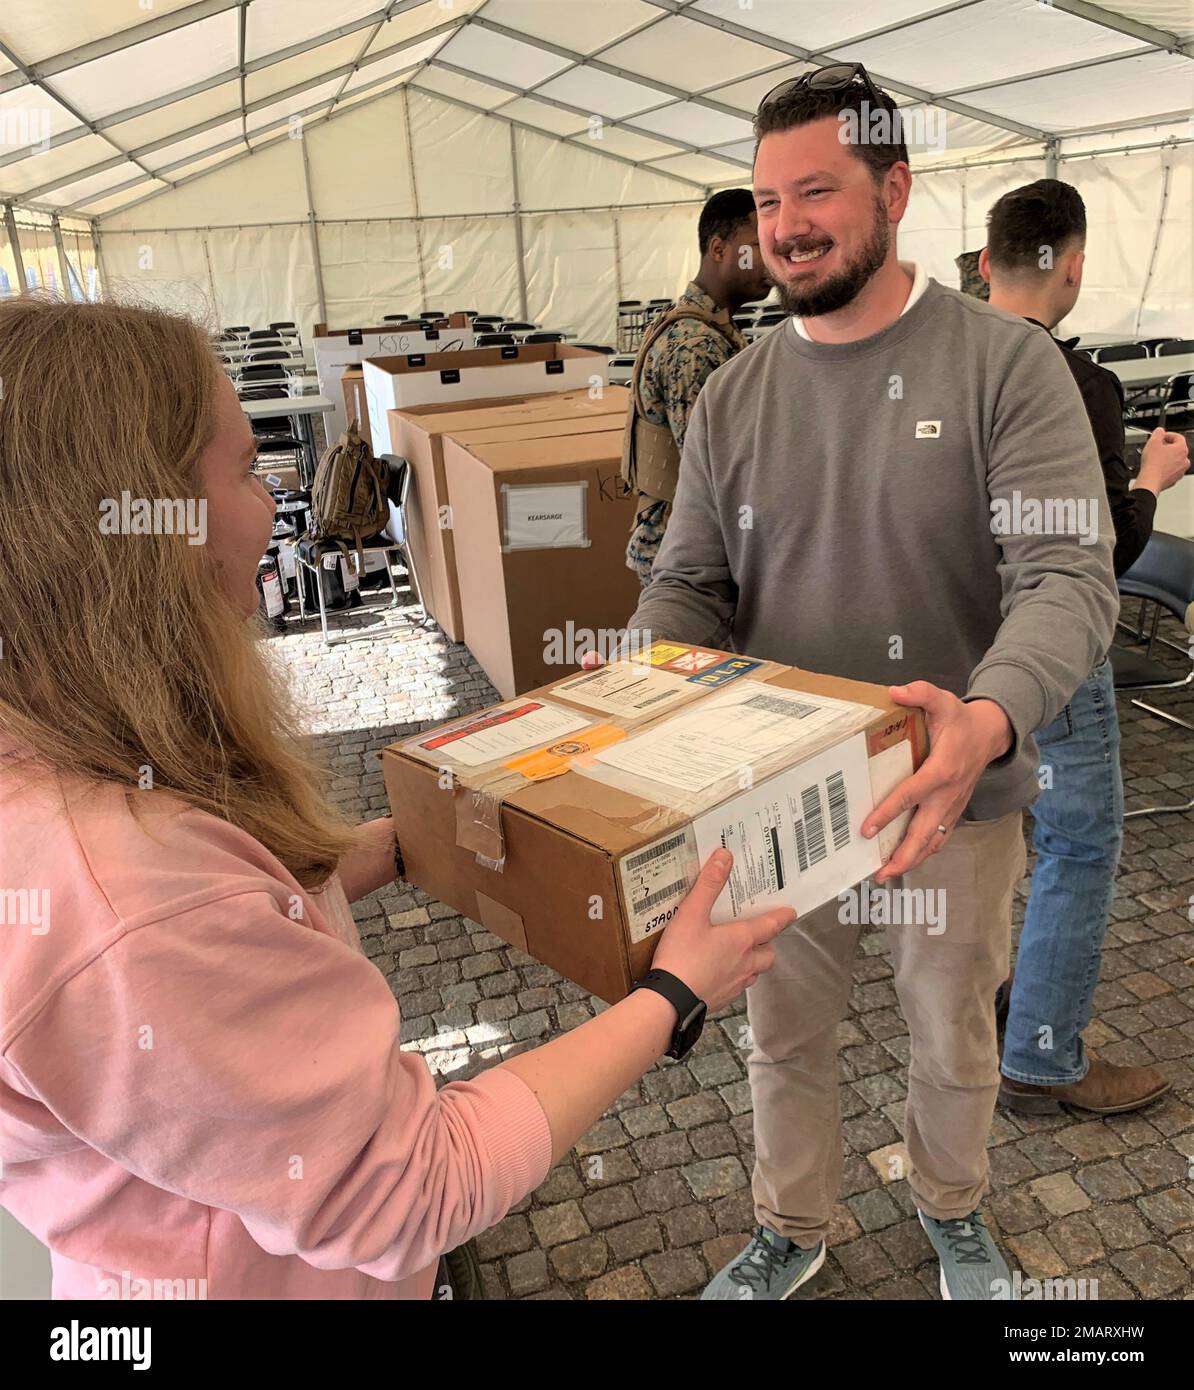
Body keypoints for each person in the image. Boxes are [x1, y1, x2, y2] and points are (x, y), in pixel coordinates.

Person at [0, 295, 793, 1301]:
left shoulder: (62, 754)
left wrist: (424, 836)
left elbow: (243, 918)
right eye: (247, 470)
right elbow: (419, 1183)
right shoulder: (131, 894)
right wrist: (672, 996)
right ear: (146, 532)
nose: (274, 505)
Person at [622, 64, 1119, 1300]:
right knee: (780, 1038)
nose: (784, 222)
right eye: (766, 196)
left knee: (953, 1036)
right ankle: (790, 1224)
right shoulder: (736, 395)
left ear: (895, 189)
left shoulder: (1006, 365)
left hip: (949, 796)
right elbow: (691, 581)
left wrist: (990, 716)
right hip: (780, 804)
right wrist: (641, 680)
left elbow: (1069, 575)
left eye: (818, 190)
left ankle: (954, 1211)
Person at [979, 179, 1189, 1115]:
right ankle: (1040, 1056)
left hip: (963, 642)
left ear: (985, 263)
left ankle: (991, 1014)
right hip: (1054, 648)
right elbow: (1102, 548)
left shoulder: (938, 359)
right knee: (1080, 842)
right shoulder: (1078, 382)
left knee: (992, 835)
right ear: (1070, 266)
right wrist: (1151, 477)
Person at [623, 187, 773, 585]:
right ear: (719, 249)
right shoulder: (695, 345)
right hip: (688, 563)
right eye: (756, 246)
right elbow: (712, 472)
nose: (770, 259)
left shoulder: (708, 326)